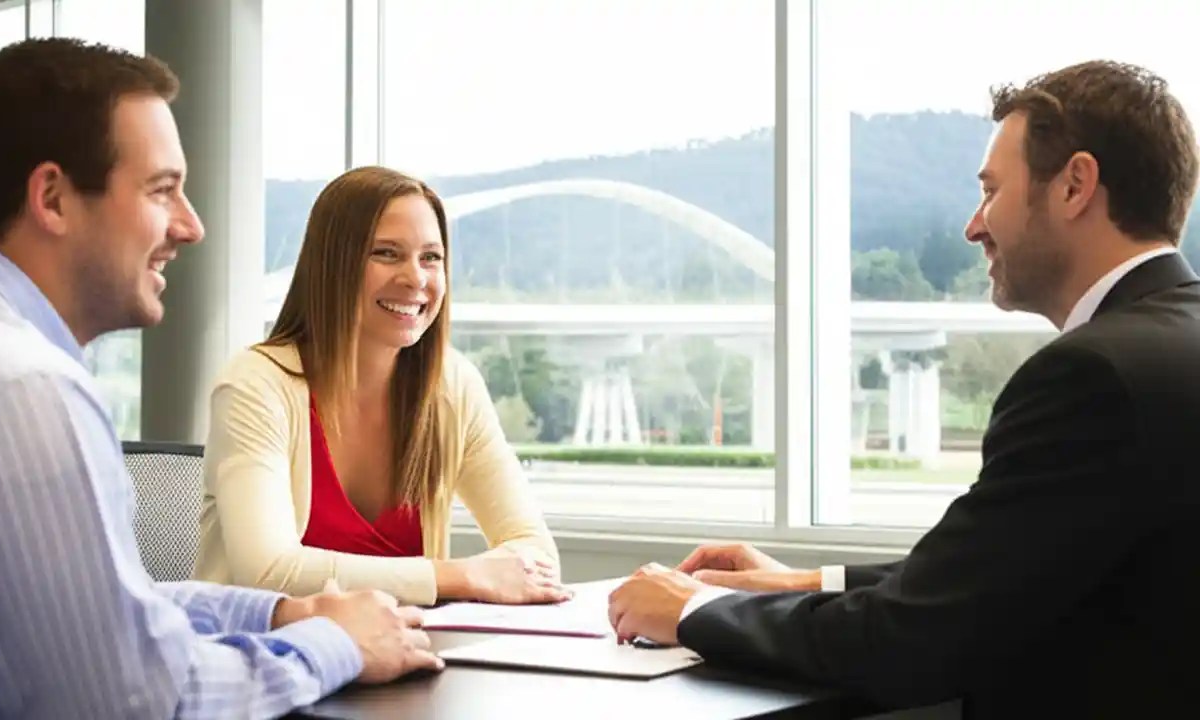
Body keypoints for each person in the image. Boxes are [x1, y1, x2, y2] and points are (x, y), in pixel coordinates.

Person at [608, 60, 1200, 718]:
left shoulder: (1091, 378)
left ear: (1074, 186)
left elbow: (911, 642)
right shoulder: (1172, 349)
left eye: (992, 192)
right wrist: (801, 581)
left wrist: (693, 609)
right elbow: (1006, 569)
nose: (974, 226)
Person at [0, 38, 441, 719]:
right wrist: (331, 646)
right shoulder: (20, 391)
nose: (191, 226)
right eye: (162, 190)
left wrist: (285, 613)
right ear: (52, 198)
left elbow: (107, 608)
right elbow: (132, 698)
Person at [193, 165, 567, 607]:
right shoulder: (256, 386)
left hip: (400, 664)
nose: (416, 278)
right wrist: (459, 575)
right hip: (264, 664)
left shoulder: (452, 386)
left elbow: (536, 554)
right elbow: (270, 571)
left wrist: (484, 573)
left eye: (431, 257)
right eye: (387, 253)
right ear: (333, 264)